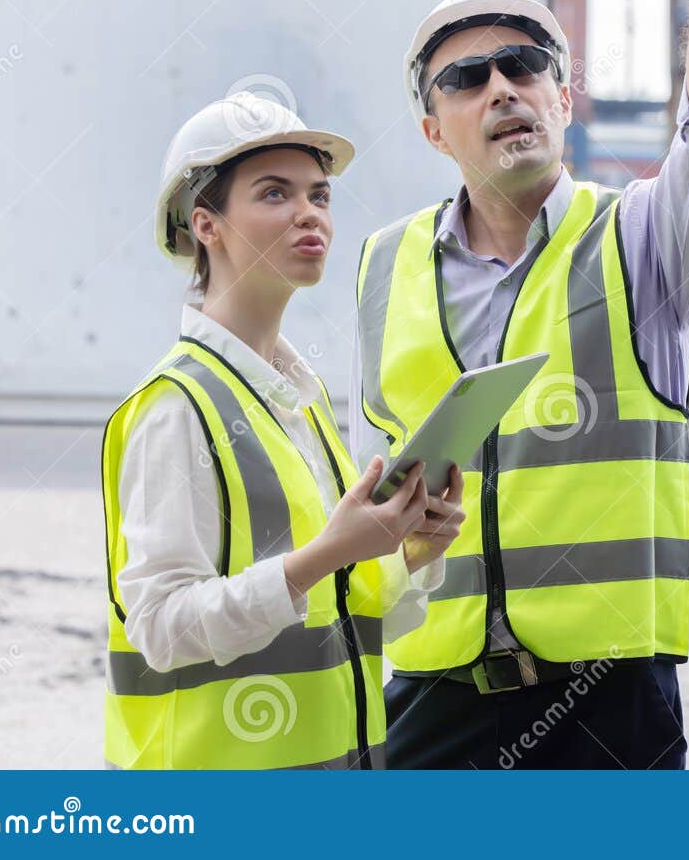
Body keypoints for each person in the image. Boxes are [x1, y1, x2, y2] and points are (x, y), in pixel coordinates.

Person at [351, 0, 689, 768]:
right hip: (434, 702)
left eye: (524, 64)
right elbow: (370, 485)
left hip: (605, 708)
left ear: (563, 95)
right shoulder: (384, 266)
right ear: (433, 128)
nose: (501, 86)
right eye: (464, 79)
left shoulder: (638, 242)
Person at [100, 94, 466, 769]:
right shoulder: (177, 407)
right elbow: (161, 625)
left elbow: (332, 600)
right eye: (275, 193)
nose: (310, 214)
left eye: (319, 195)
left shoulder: (300, 395)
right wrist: (326, 553)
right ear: (206, 224)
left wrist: (408, 546)